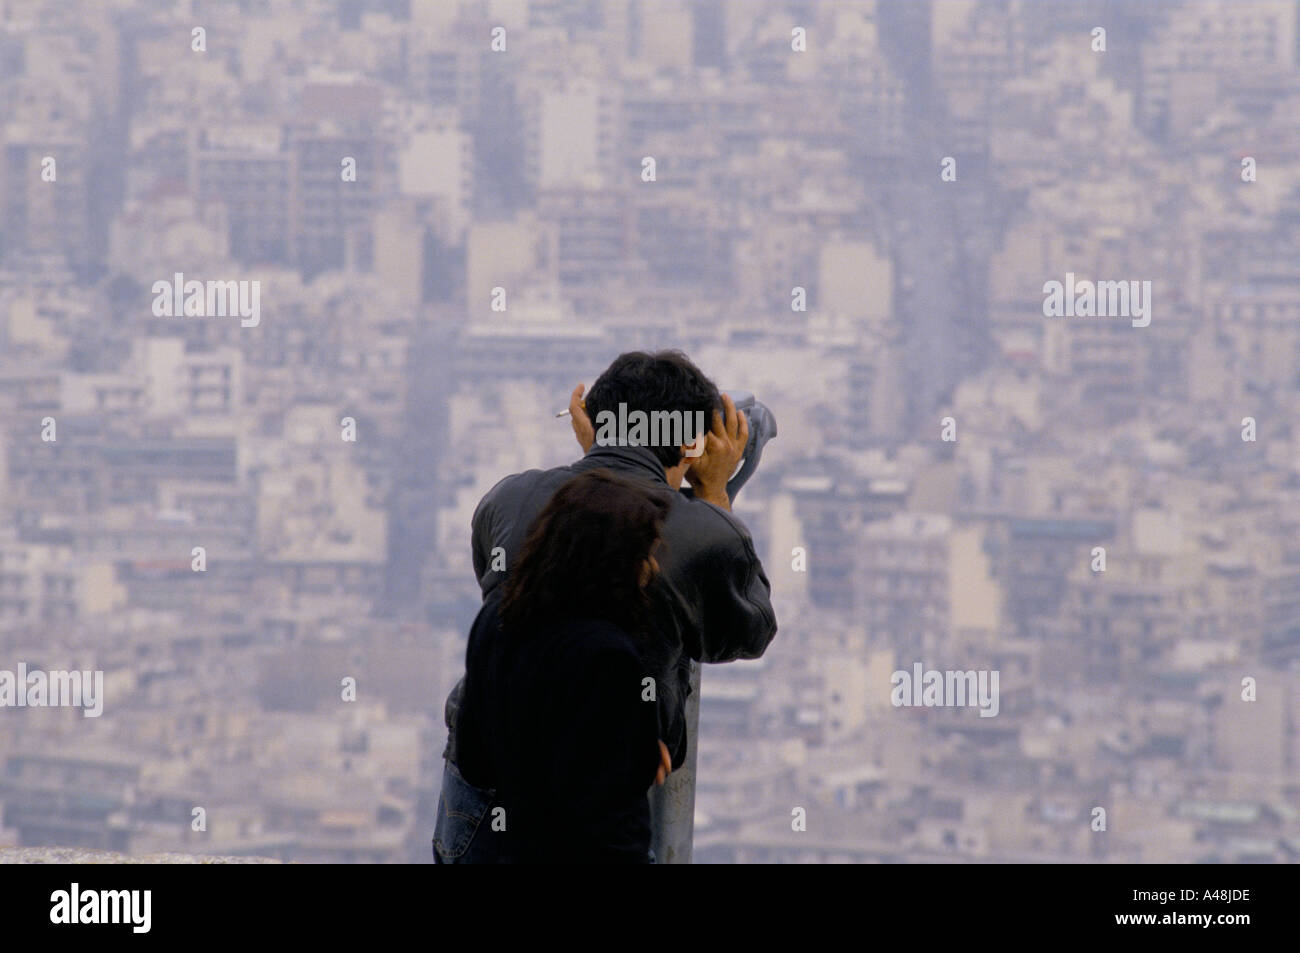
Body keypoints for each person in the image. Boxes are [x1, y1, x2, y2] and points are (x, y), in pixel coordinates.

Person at [434, 350, 778, 863]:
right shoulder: (698, 532)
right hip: (595, 802)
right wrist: (714, 496)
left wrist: (605, 454)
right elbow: (746, 630)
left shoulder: (510, 497)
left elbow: (499, 577)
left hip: (479, 785)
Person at [444, 470, 675, 863]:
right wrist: (635, 752)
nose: (651, 568)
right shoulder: (607, 656)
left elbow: (475, 761)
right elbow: (608, 814)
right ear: (613, 560)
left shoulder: (495, 618)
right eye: (644, 554)